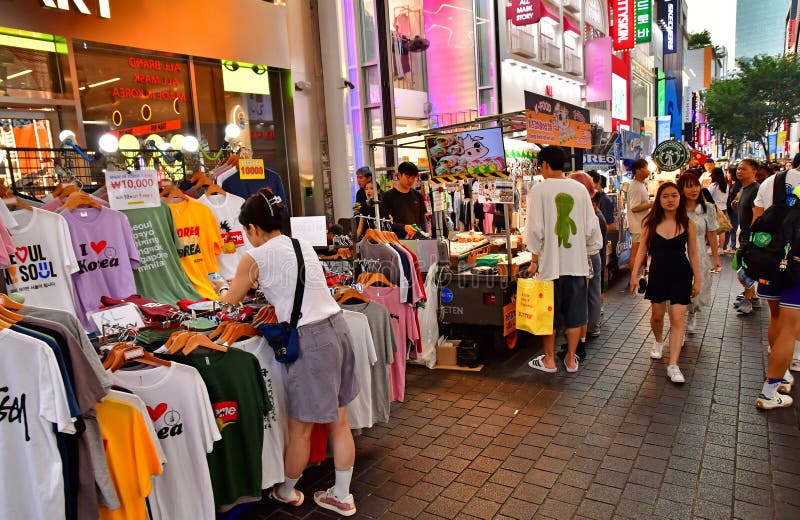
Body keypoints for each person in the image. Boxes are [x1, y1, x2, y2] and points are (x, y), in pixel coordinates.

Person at [219, 188, 360, 516]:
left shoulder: (255, 256)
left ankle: (286, 491)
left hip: (313, 341)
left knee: (301, 429)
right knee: (340, 421)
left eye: (246, 231)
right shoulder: (302, 245)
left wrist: (226, 288)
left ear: (253, 228)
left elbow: (229, 301)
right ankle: (340, 493)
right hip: (338, 329)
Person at [526, 146, 602, 373]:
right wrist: (584, 252)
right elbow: (591, 229)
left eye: (541, 165)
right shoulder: (579, 189)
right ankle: (570, 359)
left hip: (549, 267)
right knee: (575, 316)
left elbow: (534, 231)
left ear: (546, 164)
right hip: (576, 266)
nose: (541, 170)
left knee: (547, 315)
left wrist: (534, 259)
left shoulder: (539, 190)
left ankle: (549, 360)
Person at [629, 182, 701, 383]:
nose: (670, 200)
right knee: (657, 317)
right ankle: (658, 341)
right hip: (658, 274)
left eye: (674, 196)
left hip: (682, 274)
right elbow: (642, 249)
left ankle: (674, 365)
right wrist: (634, 275)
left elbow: (694, 254)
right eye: (665, 196)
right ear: (658, 199)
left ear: (680, 198)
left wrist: (698, 280)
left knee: (678, 320)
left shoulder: (689, 223)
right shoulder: (649, 222)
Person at [752, 163, 800, 409]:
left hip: (769, 260)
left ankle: (783, 373)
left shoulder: (772, 181)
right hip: (796, 265)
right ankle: (770, 392)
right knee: (790, 329)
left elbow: (756, 222)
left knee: (777, 319)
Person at [676, 172, 721, 334]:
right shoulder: (676, 208)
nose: (694, 189)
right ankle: (678, 322)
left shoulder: (708, 208)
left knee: (696, 289)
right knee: (678, 289)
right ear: (681, 189)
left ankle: (692, 313)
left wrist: (716, 258)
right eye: (689, 186)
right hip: (679, 254)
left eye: (696, 185)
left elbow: (712, 233)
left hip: (700, 254)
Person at [568, 172, 605, 345]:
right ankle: (593, 327)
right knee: (593, 293)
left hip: (587, 256)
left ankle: (582, 336)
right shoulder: (589, 207)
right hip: (593, 255)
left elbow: (584, 236)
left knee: (582, 296)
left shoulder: (582, 208)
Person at [731, 159, 760, 315]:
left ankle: (748, 302)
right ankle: (751, 296)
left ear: (754, 171)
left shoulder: (756, 189)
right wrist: (736, 205)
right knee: (745, 268)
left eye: (744, 169)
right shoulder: (744, 189)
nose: (739, 171)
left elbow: (757, 215)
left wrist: (751, 237)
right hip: (744, 234)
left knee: (745, 270)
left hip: (750, 236)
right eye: (739, 169)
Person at [380, 162, 429, 238]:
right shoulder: (388, 196)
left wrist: (426, 235)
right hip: (397, 241)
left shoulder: (417, 195)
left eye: (413, 178)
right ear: (399, 175)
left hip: (417, 240)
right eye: (408, 177)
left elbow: (422, 218)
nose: (410, 180)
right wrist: (403, 227)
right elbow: (384, 222)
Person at [626, 159, 653, 290]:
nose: (648, 171)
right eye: (646, 168)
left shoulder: (640, 185)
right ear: (638, 170)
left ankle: (636, 277)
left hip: (641, 225)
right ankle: (634, 278)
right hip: (637, 226)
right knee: (636, 252)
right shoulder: (635, 187)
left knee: (639, 252)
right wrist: (651, 204)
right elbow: (635, 207)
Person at [708, 167, 729, 253]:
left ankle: (713, 248)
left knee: (712, 230)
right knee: (722, 231)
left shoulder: (713, 186)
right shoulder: (726, 185)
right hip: (724, 209)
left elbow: (707, 196)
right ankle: (721, 248)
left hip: (714, 209)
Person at [725, 165, 741, 253]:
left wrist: (733, 202)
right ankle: (731, 245)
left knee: (733, 228)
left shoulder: (737, 184)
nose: (727, 174)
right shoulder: (733, 183)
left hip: (734, 210)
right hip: (731, 210)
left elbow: (738, 196)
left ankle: (733, 246)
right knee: (731, 227)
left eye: (728, 173)